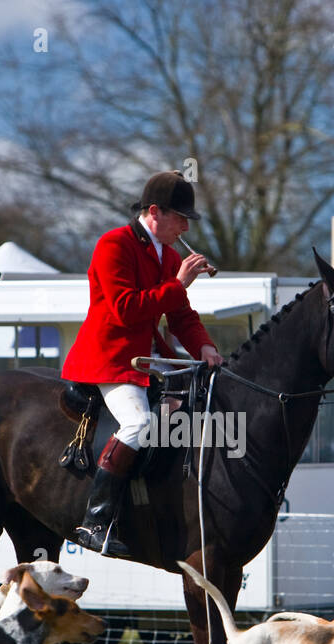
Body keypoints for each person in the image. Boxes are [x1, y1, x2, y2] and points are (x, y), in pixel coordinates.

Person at [60, 171, 222, 556]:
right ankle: (94, 522)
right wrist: (178, 284)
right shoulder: (113, 244)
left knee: (206, 395)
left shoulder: (167, 256)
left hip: (148, 357)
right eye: (181, 218)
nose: (185, 226)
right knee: (139, 423)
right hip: (110, 359)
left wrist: (205, 349)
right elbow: (124, 310)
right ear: (154, 212)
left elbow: (181, 315)